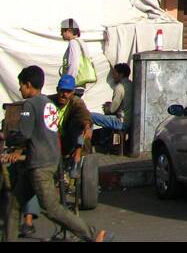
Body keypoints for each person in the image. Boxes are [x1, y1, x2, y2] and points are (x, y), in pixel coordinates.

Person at [2, 66, 108, 243]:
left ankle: (93, 234)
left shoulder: (29, 105)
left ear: (28, 85)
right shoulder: (48, 104)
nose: (20, 89)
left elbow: (24, 134)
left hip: (39, 164)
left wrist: (8, 136)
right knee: (14, 205)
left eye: (21, 85)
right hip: (46, 161)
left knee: (51, 208)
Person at [54, 75, 93, 167]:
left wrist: (87, 127)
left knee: (82, 129)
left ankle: (78, 159)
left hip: (69, 139)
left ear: (73, 92)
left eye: (68, 92)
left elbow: (84, 115)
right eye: (62, 91)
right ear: (57, 90)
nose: (64, 95)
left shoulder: (77, 102)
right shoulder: (49, 101)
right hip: (53, 140)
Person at [92, 63, 132, 147]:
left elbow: (112, 110)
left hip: (121, 122)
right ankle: (103, 142)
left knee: (90, 116)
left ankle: (100, 143)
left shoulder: (119, 87)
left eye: (114, 74)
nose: (113, 76)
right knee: (107, 120)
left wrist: (106, 108)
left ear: (121, 74)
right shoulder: (132, 85)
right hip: (131, 120)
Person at [59, 19, 97, 90]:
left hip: (73, 85)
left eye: (62, 31)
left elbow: (74, 64)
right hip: (80, 84)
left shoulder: (73, 43)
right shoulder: (81, 42)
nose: (61, 34)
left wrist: (67, 83)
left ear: (69, 30)